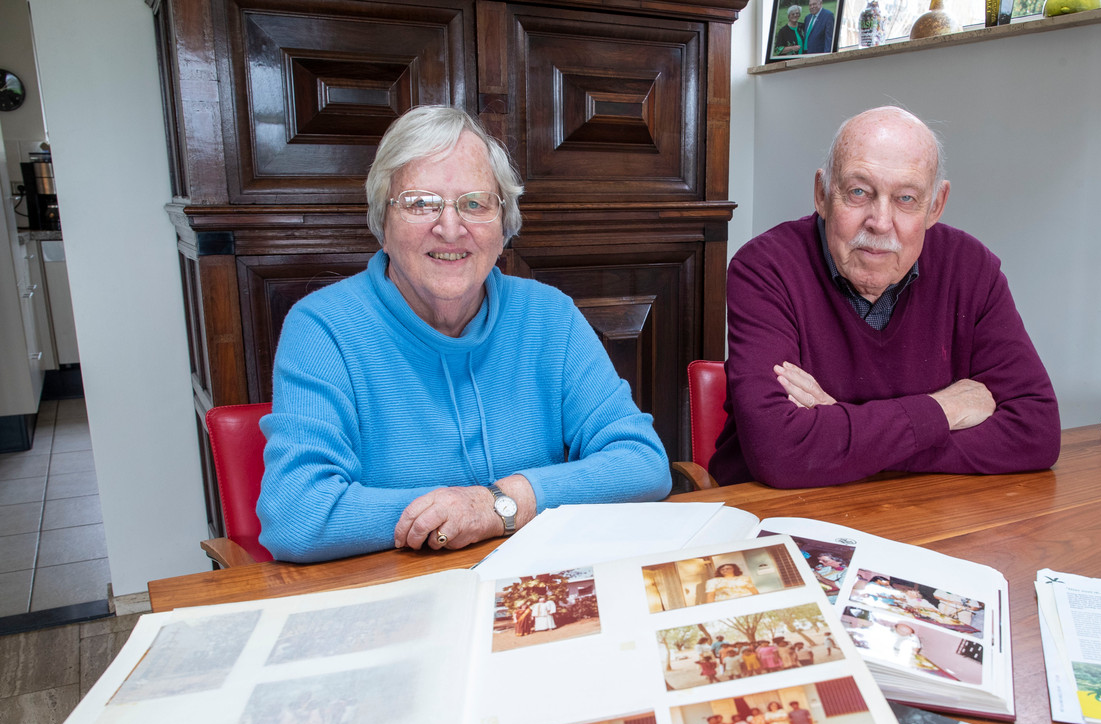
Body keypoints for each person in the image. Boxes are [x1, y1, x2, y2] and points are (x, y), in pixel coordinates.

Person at [257, 104, 670, 562]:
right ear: (382, 225)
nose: (450, 228)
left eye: (475, 203)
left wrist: (499, 504)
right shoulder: (322, 328)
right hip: (402, 590)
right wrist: (453, 515)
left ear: (503, 227)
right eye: (420, 203)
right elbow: (296, 514)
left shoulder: (549, 314)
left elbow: (642, 462)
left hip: (539, 581)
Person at [708, 106, 1060, 489]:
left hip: (920, 511)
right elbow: (780, 451)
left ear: (935, 205)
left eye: (906, 198)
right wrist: (944, 409)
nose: (880, 222)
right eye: (858, 192)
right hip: (774, 512)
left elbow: (1036, 432)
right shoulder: (765, 267)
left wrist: (843, 432)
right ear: (822, 194)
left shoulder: (971, 268)